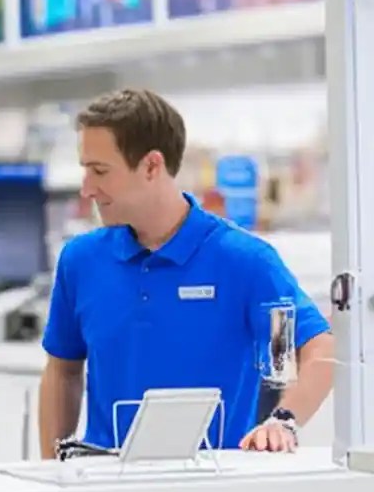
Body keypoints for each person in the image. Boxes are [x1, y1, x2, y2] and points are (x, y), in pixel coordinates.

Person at [39, 88, 334, 458]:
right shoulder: (80, 261)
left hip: (214, 489)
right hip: (104, 489)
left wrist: (283, 420)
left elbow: (317, 347)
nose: (87, 188)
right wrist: (51, 468)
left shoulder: (243, 262)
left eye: (99, 171)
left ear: (151, 166)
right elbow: (63, 371)